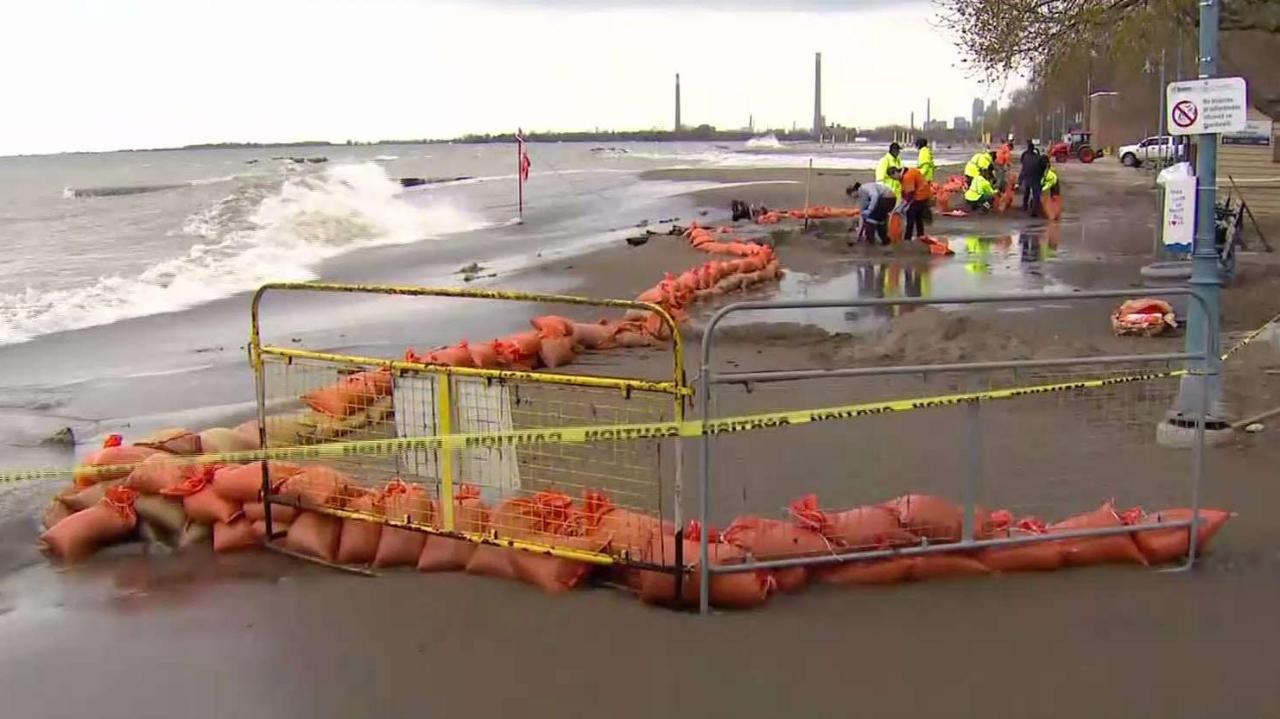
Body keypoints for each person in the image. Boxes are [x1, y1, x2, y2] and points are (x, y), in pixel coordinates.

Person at [895, 165, 932, 241]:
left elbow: (910, 193)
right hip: (924, 194)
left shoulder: (907, 176)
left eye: (893, 177)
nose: (894, 179)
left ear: (895, 172)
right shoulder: (908, 171)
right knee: (918, 216)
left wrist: (904, 205)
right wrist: (902, 202)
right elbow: (904, 191)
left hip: (919, 196)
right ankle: (920, 234)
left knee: (910, 215)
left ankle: (908, 237)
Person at [1019, 140, 1040, 211]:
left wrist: (1020, 179)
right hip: (1035, 176)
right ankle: (1034, 208)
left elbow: (1023, 165)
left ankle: (1025, 206)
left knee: (1026, 191)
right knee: (1035, 193)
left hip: (1027, 175)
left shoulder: (1025, 155)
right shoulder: (1036, 156)